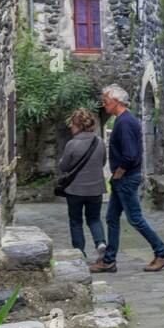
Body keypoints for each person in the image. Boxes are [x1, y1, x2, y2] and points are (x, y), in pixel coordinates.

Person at [88, 85, 164, 273]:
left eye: (106, 101)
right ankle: (109, 260)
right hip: (123, 178)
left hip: (125, 178)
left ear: (117, 101)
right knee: (112, 218)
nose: (103, 104)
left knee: (135, 219)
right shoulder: (123, 120)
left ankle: (162, 253)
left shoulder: (125, 123)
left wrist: (118, 174)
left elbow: (130, 155)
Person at [57, 107, 107, 260]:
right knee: (94, 218)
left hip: (75, 189)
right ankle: (100, 242)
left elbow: (63, 166)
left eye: (72, 124)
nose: (71, 127)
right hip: (96, 188)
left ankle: (79, 251)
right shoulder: (100, 142)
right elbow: (103, 162)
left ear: (78, 125)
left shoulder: (72, 144)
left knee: (76, 221)